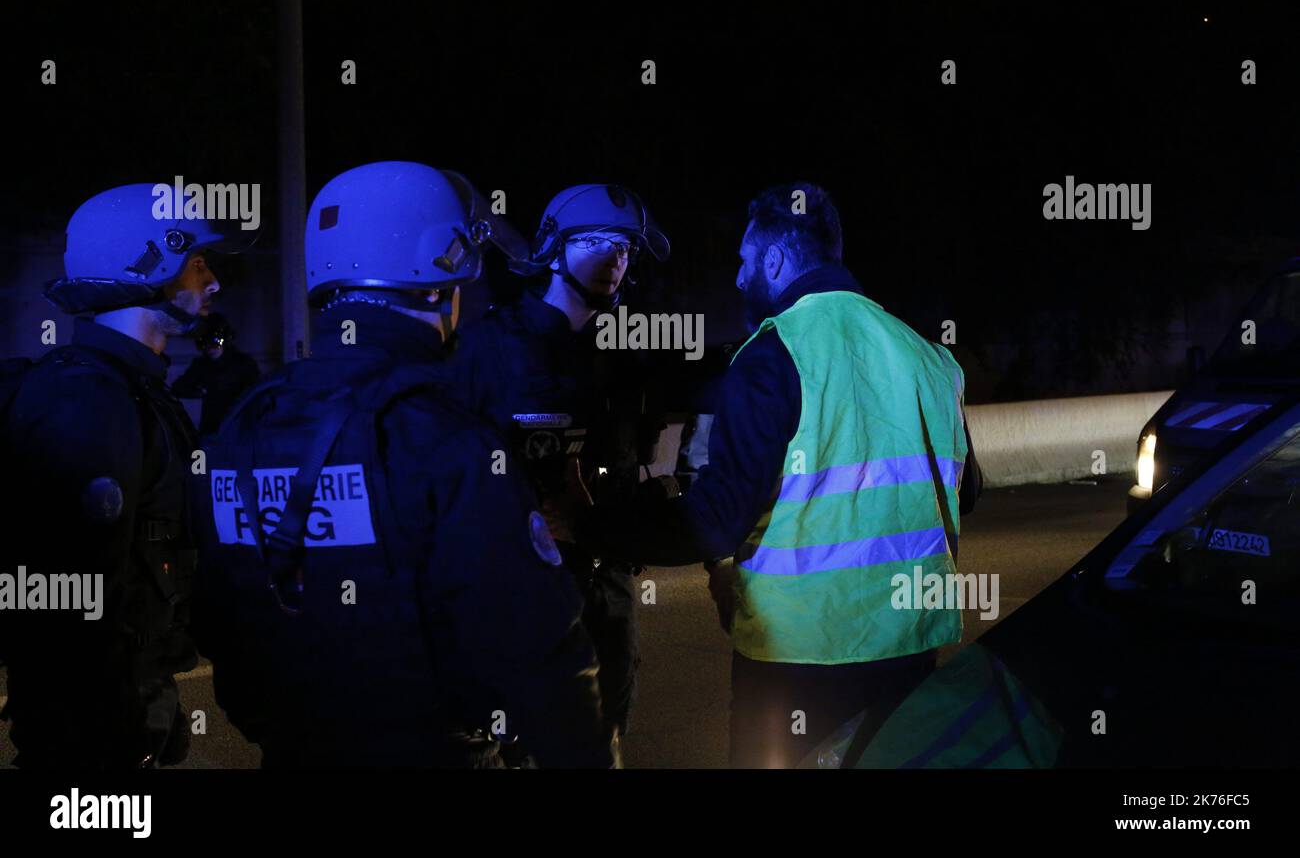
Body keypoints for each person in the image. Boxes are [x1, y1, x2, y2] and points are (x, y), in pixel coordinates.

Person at [192, 161, 615, 768]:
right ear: (443, 269)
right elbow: (542, 650)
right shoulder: (447, 436)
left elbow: (216, 618)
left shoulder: (242, 425)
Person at [571, 182, 982, 768]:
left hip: (799, 663)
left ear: (776, 259)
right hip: (911, 654)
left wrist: (593, 525)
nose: (738, 279)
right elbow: (963, 493)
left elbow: (714, 521)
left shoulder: (773, 353)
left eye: (743, 261)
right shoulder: (930, 357)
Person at [0, 182, 237, 768]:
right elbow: (69, 599)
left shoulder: (131, 386)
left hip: (125, 707)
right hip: (91, 730)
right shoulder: (88, 397)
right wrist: (111, 739)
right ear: (147, 263)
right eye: (198, 263)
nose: (212, 282)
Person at [449, 183, 671, 748]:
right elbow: (447, 479)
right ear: (552, 245)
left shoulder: (624, 355)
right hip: (519, 598)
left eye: (624, 246)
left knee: (602, 741)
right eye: (595, 241)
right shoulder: (488, 350)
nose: (614, 259)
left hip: (607, 596)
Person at [172, 312, 261, 436]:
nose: (209, 348)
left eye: (215, 341)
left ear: (226, 340)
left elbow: (257, 392)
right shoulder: (201, 365)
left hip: (238, 426)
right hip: (212, 429)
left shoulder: (243, 364)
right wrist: (202, 391)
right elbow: (178, 388)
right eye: (204, 343)